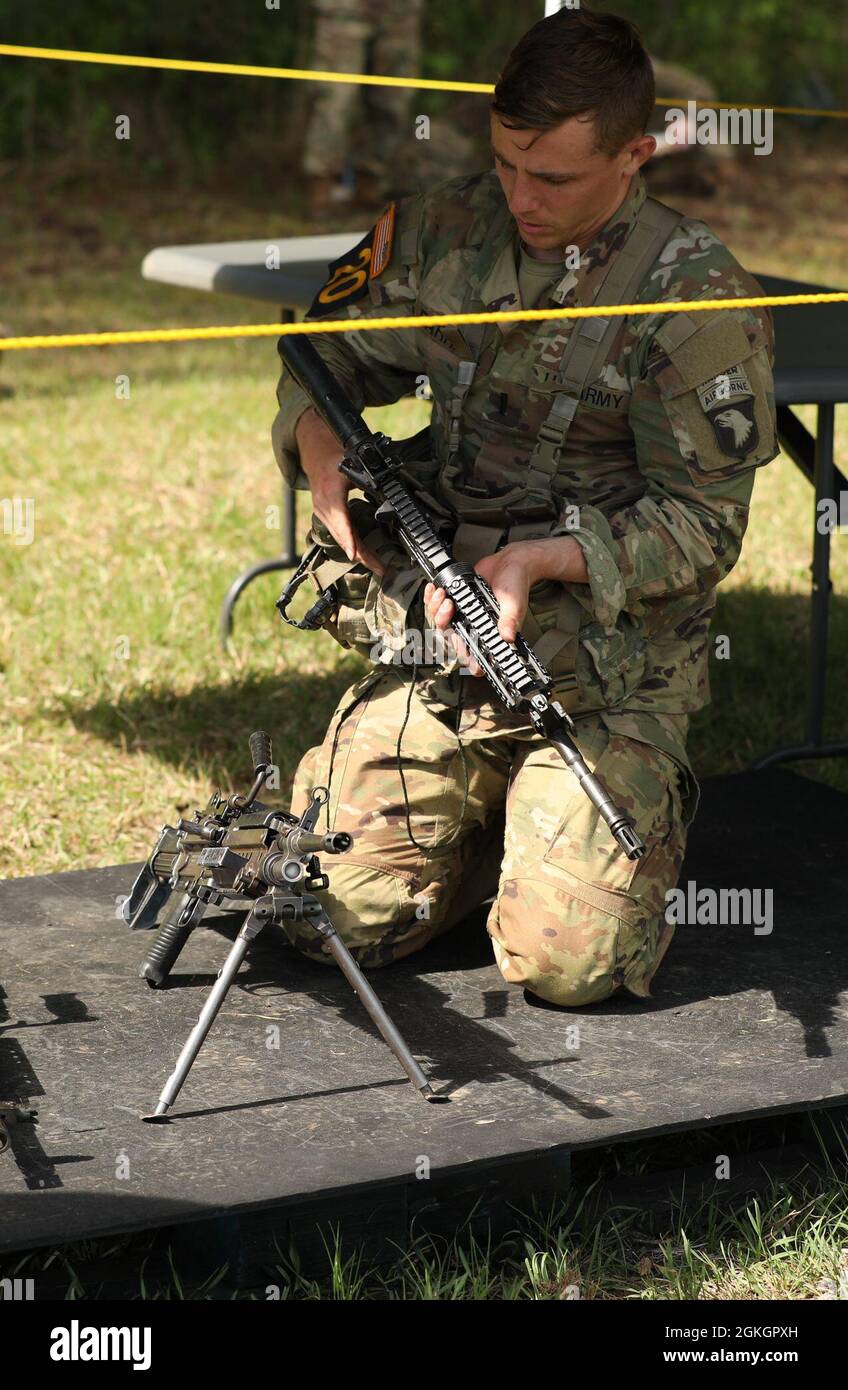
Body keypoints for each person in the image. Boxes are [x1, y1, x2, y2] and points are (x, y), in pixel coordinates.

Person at [271, 6, 778, 1007]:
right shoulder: (441, 234)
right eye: (505, 164)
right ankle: (488, 839)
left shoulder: (695, 300)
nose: (521, 198)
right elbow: (321, 353)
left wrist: (541, 560)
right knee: (326, 914)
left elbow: (703, 525)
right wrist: (318, 447)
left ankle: (569, 843)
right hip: (442, 646)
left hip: (604, 671)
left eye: (552, 177)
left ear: (634, 156)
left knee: (565, 967)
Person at [302, 0, 425, 218]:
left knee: (392, 101)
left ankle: (370, 182)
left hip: (399, 12)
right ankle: (321, 185)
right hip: (344, 9)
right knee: (334, 98)